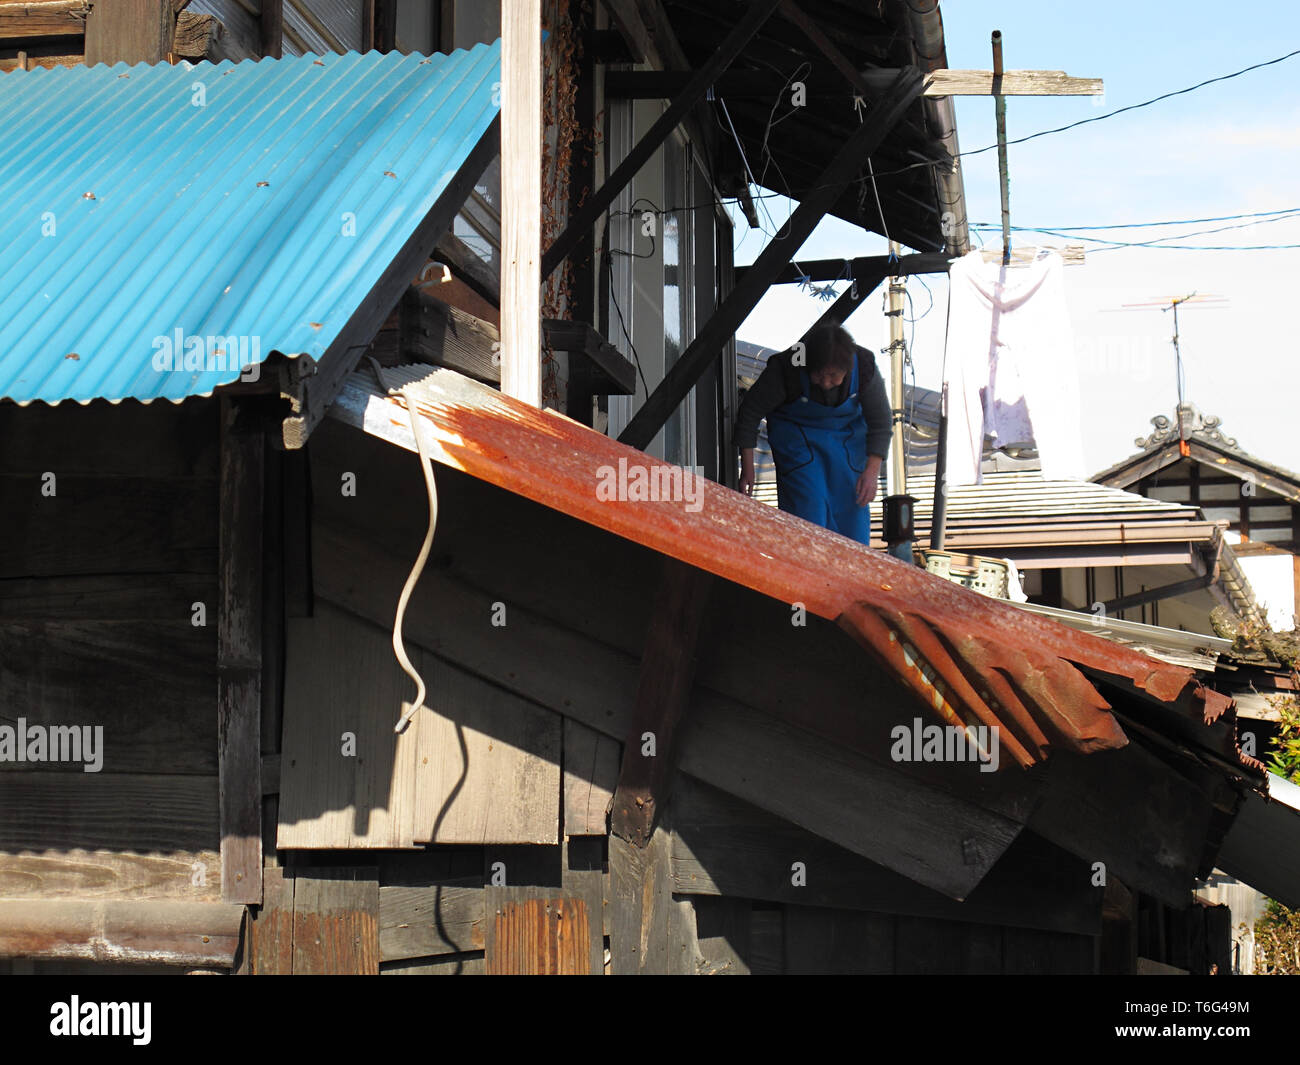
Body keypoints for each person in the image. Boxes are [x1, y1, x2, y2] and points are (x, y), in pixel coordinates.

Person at [734, 324, 890, 545]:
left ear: (847, 368)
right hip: (799, 446)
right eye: (819, 375)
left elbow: (881, 422)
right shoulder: (787, 368)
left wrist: (872, 472)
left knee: (852, 518)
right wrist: (747, 469)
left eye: (833, 376)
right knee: (808, 515)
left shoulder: (864, 367)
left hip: (847, 449)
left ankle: (850, 577)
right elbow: (750, 413)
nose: (826, 383)